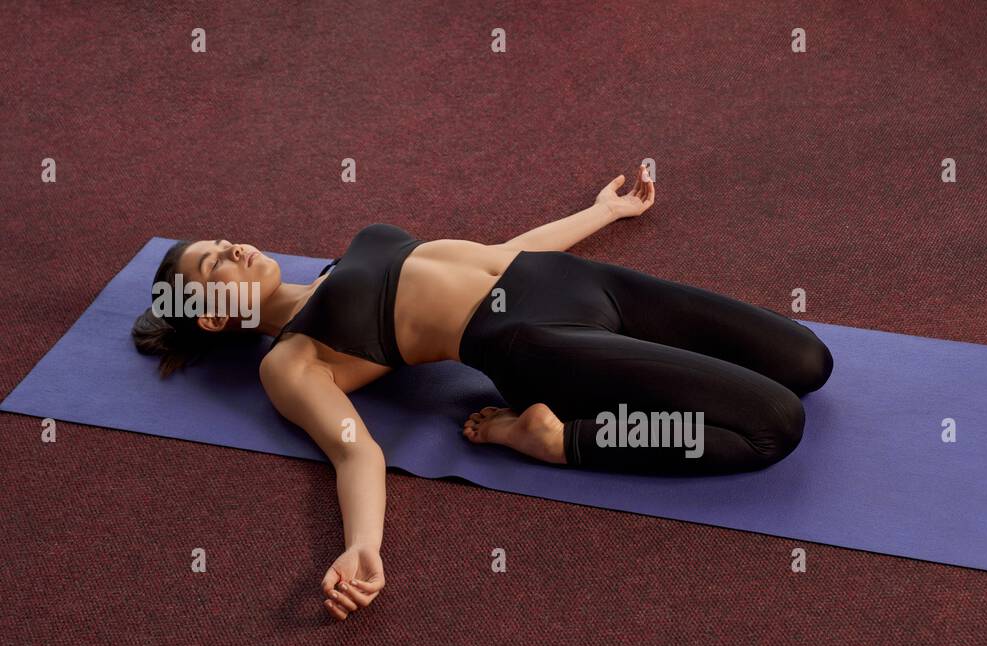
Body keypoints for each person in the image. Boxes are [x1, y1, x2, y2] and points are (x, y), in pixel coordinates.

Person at [133, 166, 833, 620]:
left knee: (808, 359)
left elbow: (495, 251)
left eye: (223, 239)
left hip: (570, 281)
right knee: (776, 424)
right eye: (215, 262)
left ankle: (568, 425)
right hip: (539, 341)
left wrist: (601, 214)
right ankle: (562, 440)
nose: (234, 247)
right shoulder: (290, 360)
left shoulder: (337, 264)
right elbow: (355, 453)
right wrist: (362, 547)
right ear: (215, 316)